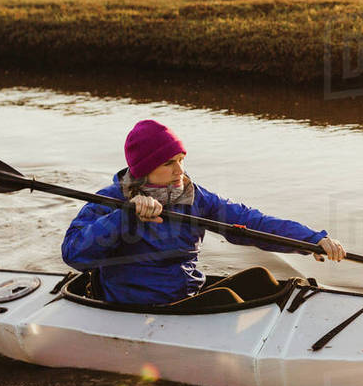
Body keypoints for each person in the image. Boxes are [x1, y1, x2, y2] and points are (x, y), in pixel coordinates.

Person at [61, 119, 345, 305]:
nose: (180, 171)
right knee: (226, 298)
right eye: (168, 163)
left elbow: (252, 222)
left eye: (182, 160)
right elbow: (73, 253)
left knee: (261, 278)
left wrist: (311, 241)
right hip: (138, 308)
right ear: (145, 169)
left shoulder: (195, 197)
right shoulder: (109, 201)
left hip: (187, 297)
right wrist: (125, 216)